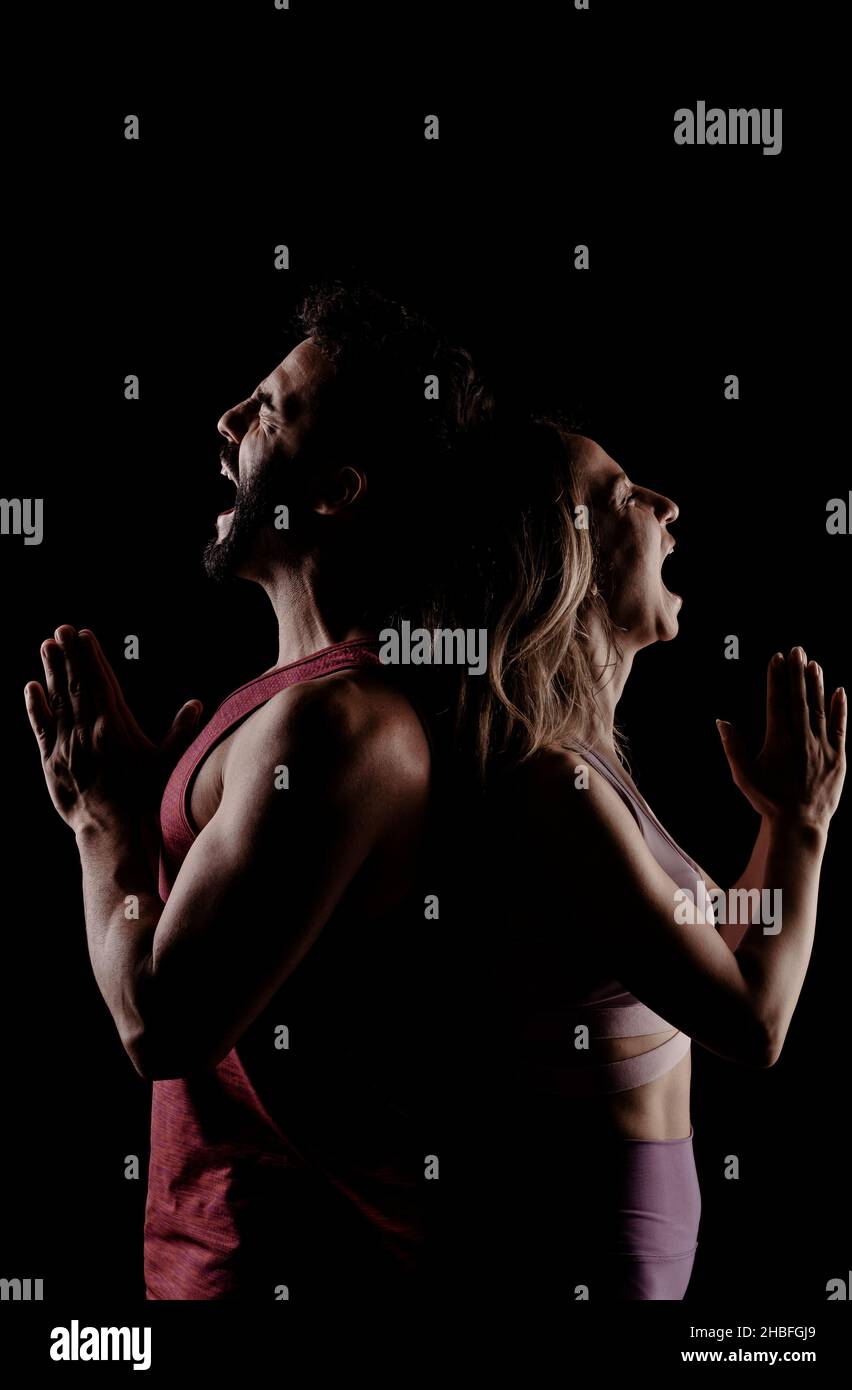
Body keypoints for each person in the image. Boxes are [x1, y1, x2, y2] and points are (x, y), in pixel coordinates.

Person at [23, 284, 485, 1303]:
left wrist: (102, 825)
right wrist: (151, 818)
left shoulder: (338, 723)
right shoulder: (289, 703)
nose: (227, 422)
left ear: (335, 490)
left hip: (290, 1271)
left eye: (270, 409)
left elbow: (159, 1025)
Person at [449, 424, 847, 1303]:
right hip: (594, 1238)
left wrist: (781, 824)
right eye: (625, 494)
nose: (666, 506)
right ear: (566, 554)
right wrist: (801, 828)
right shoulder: (554, 786)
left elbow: (714, 951)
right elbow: (752, 1022)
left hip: (635, 1222)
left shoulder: (585, 764)